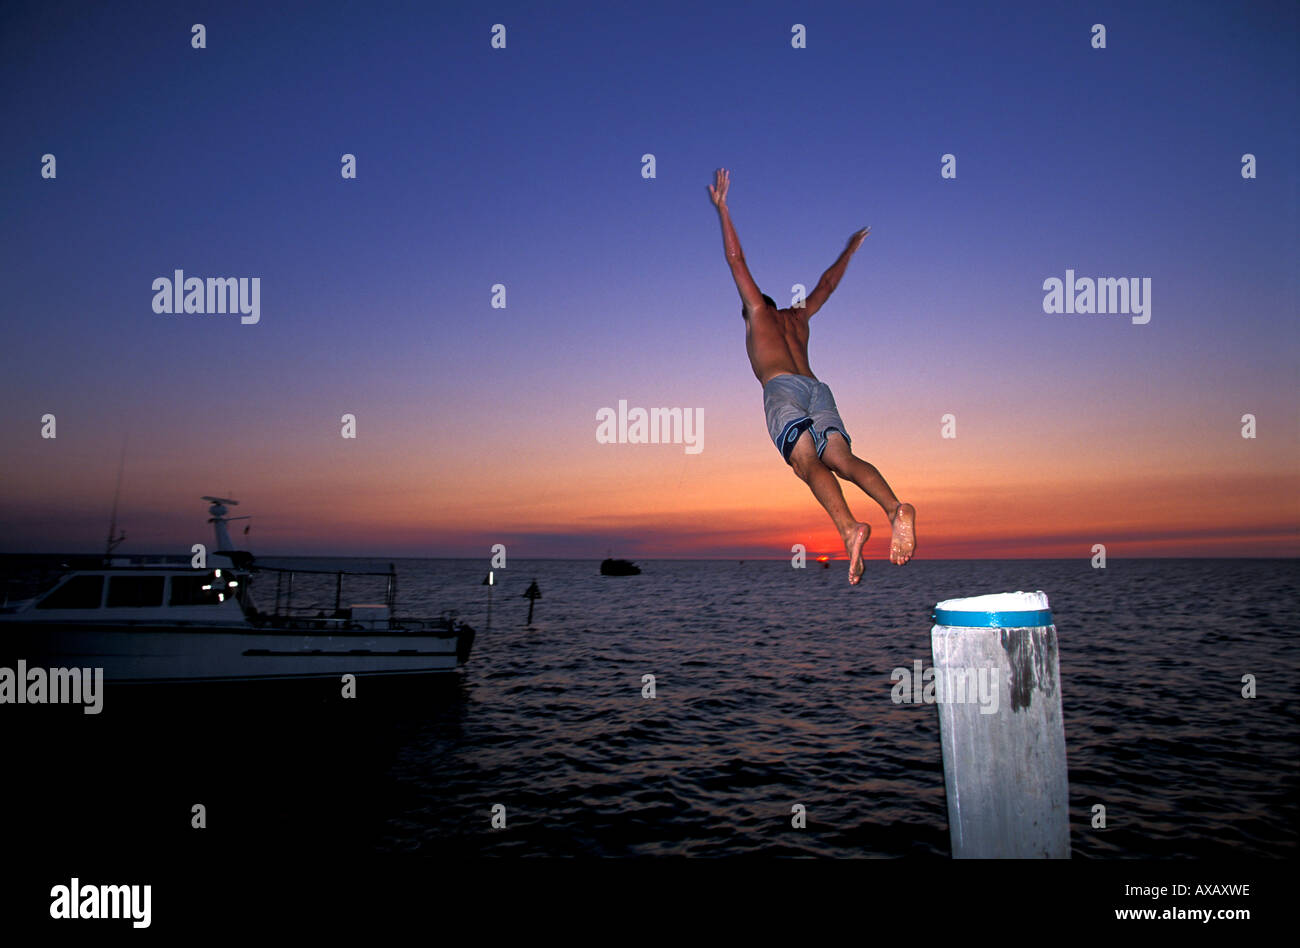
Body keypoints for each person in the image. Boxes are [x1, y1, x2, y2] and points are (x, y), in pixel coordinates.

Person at [709, 167, 916, 584]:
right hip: (819, 390)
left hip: (783, 389)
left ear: (752, 307)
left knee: (806, 462)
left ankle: (849, 528)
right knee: (842, 459)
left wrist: (723, 209)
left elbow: (736, 260)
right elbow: (827, 283)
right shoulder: (799, 316)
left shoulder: (758, 313)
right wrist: (851, 249)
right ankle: (895, 508)